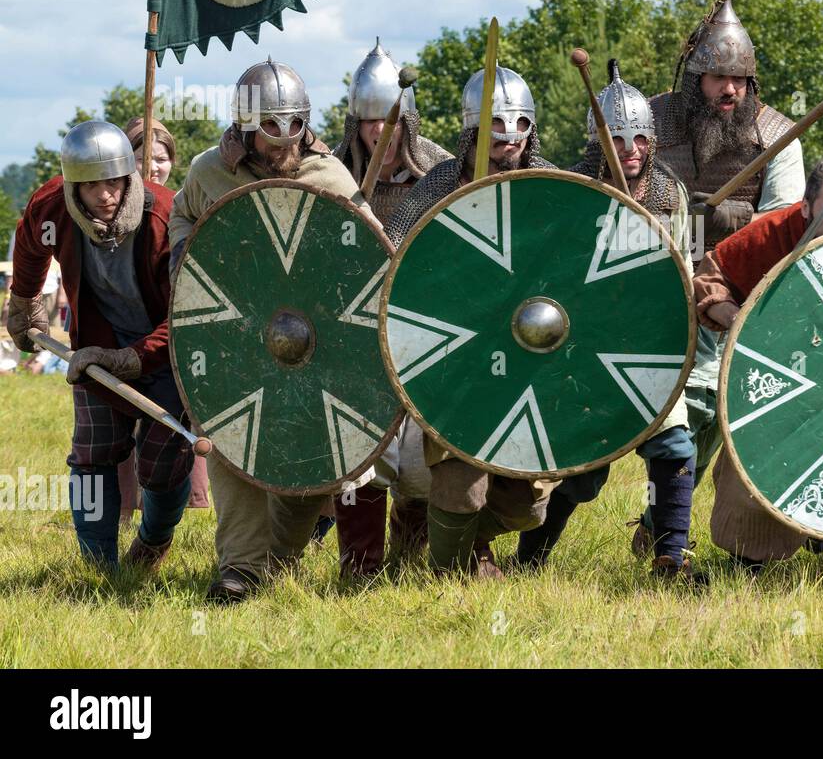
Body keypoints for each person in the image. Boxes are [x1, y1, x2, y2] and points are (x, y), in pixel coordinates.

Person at [170, 58, 378, 603]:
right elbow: (184, 218)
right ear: (245, 124)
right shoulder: (207, 171)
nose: (285, 140)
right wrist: (187, 262)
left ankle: (278, 558)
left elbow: (367, 252)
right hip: (236, 337)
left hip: (315, 339)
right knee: (232, 443)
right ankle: (239, 570)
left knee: (309, 454)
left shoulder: (328, 175)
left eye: (295, 125)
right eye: (271, 126)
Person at [513, 60, 701, 581]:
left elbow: (680, 274)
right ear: (600, 140)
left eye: (640, 138)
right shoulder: (572, 193)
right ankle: (530, 562)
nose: (631, 150)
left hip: (646, 347)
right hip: (578, 347)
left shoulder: (670, 195)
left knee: (674, 444)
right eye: (618, 139)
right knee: (580, 470)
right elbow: (545, 278)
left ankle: (670, 558)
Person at [637, 0, 806, 557]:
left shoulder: (777, 136)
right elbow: (618, 189)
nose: (727, 90)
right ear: (695, 79)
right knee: (676, 430)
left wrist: (730, 226)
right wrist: (680, 225)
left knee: (716, 428)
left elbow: (785, 231)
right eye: (714, 77)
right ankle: (668, 548)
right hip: (658, 294)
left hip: (738, 301)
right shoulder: (652, 123)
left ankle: (666, 532)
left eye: (737, 78)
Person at [387, 66, 556, 579]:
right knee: (460, 474)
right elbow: (399, 258)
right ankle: (447, 571)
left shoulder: (548, 185)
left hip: (529, 353)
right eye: (494, 129)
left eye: (518, 126)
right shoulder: (439, 184)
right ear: (472, 130)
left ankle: (467, 544)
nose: (507, 141)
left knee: (528, 501)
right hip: (453, 354)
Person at [694, 154, 823, 592]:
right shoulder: (776, 232)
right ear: (806, 208)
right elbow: (712, 276)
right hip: (784, 375)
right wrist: (739, 318)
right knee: (757, 464)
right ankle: (747, 577)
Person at [6, 121, 193, 571]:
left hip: (169, 353)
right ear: (74, 186)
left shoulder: (165, 218)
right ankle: (98, 566)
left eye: (113, 182)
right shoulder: (51, 205)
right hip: (95, 348)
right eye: (92, 186)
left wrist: (133, 358)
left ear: (128, 176)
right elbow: (31, 246)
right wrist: (24, 300)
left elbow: (189, 316)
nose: (106, 195)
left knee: (161, 465)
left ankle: (152, 540)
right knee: (92, 456)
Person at [329, 40, 452, 579]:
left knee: (426, 448)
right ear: (354, 122)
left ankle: (413, 531)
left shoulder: (442, 172)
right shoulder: (331, 175)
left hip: (425, 324)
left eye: (390, 121)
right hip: (350, 327)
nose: (379, 132)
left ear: (410, 121)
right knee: (358, 444)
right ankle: (360, 563)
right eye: (369, 121)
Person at [116, 117, 210, 524]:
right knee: (117, 429)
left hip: (174, 332)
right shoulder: (108, 207)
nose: (153, 167)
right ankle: (121, 510)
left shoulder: (179, 207)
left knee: (179, 426)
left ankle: (185, 510)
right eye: (141, 158)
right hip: (123, 334)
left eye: (161, 158)